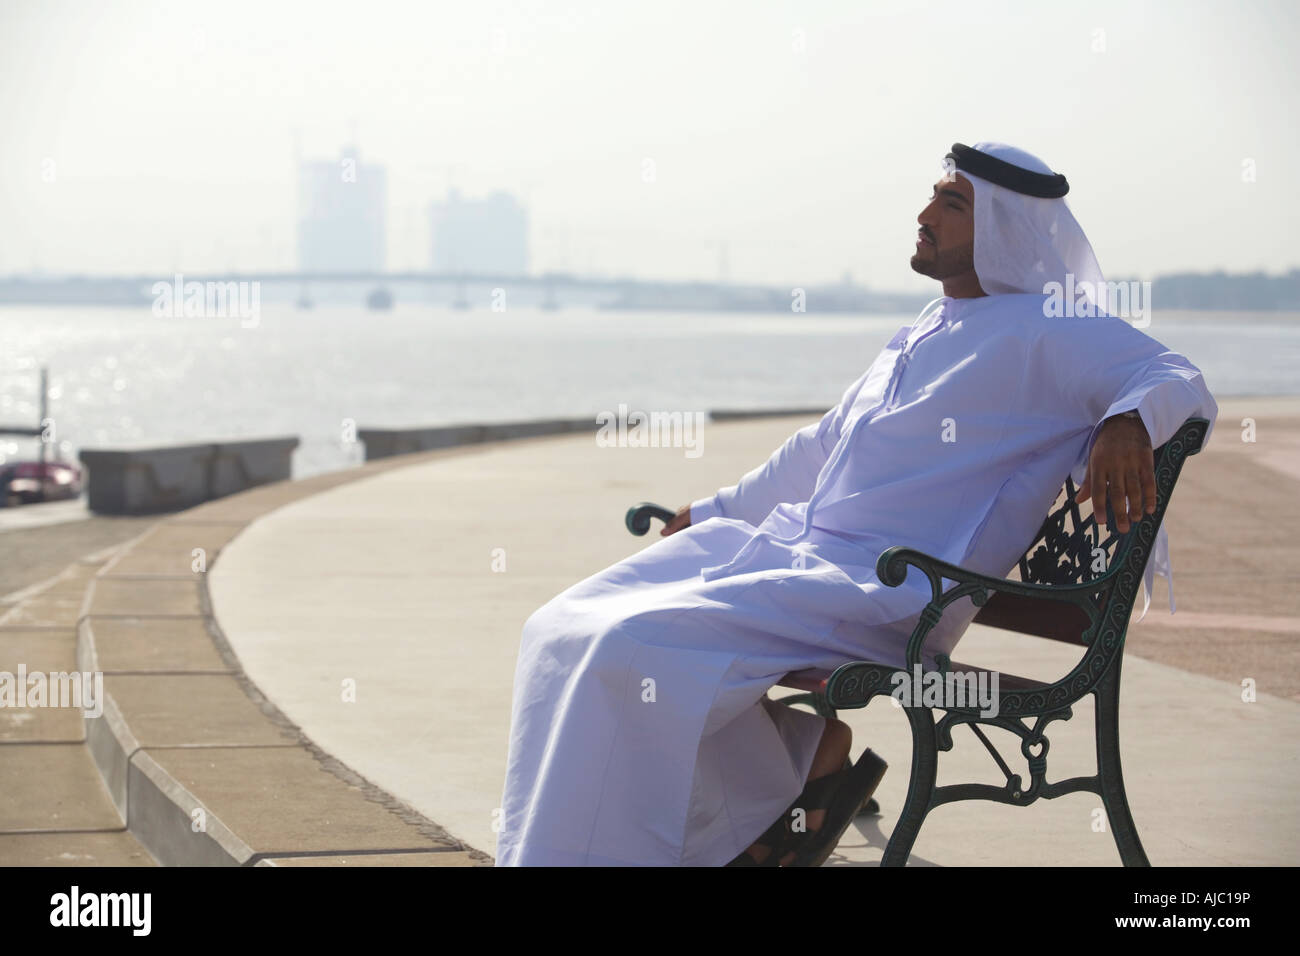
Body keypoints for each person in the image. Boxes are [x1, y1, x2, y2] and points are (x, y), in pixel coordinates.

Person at [495, 141, 1218, 867]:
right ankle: (792, 763)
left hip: (886, 595)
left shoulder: (1047, 327)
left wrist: (1127, 421)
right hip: (797, 561)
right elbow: (818, 450)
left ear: (1006, 230)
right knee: (557, 630)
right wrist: (709, 515)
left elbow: (1174, 374)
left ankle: (759, 785)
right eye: (933, 196)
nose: (924, 214)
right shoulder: (925, 329)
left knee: (627, 650)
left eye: (952, 204)